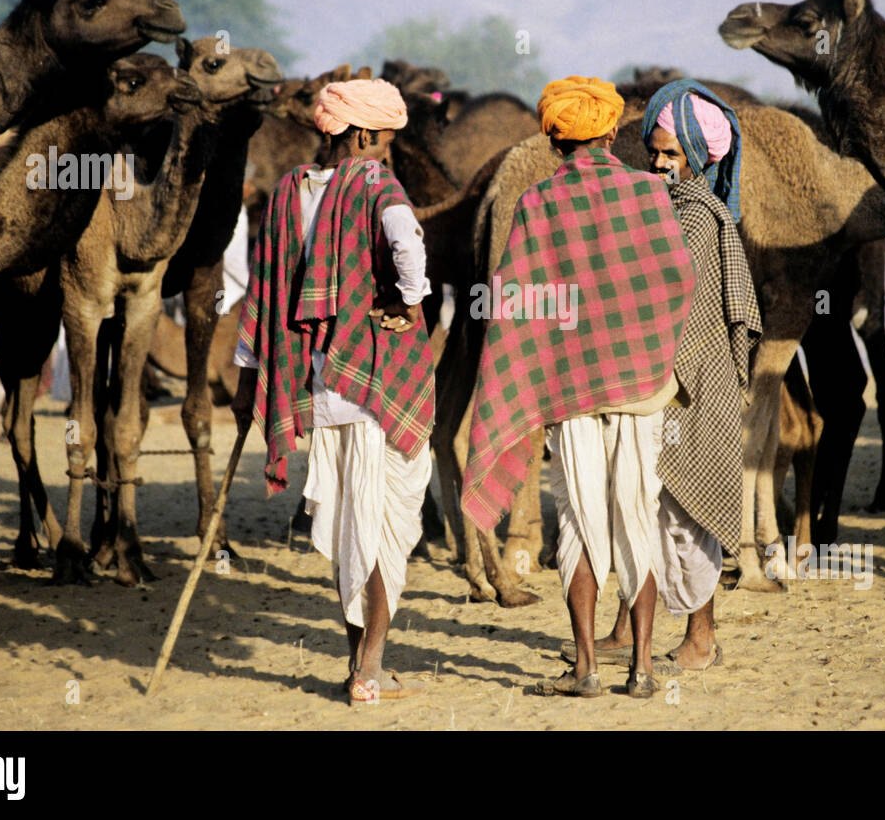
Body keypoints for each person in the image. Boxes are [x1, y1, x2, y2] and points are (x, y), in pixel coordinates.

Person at [461, 76, 696, 698]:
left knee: (579, 524)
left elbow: (514, 302)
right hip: (643, 387)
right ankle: (643, 670)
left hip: (568, 393)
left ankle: (587, 668)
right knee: (636, 519)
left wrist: (546, 363)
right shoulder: (650, 193)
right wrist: (644, 345)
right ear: (612, 132)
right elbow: (677, 281)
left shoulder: (538, 203)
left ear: (553, 137)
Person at [232, 78, 435, 706]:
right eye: (387, 141)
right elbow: (408, 242)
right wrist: (407, 299)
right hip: (370, 384)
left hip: (313, 384)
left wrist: (248, 384)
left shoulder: (291, 191)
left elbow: (261, 296)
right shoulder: (376, 185)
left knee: (348, 529)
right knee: (377, 531)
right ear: (366, 135)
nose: (389, 153)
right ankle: (369, 672)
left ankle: (359, 660)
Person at [571, 78, 761, 672]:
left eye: (671, 155)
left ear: (700, 158)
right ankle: (630, 629)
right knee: (643, 510)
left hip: (692, 390)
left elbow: (674, 303)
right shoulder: (663, 207)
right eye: (653, 152)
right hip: (661, 385)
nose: (657, 163)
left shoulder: (699, 218)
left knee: (683, 517)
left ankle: (701, 639)